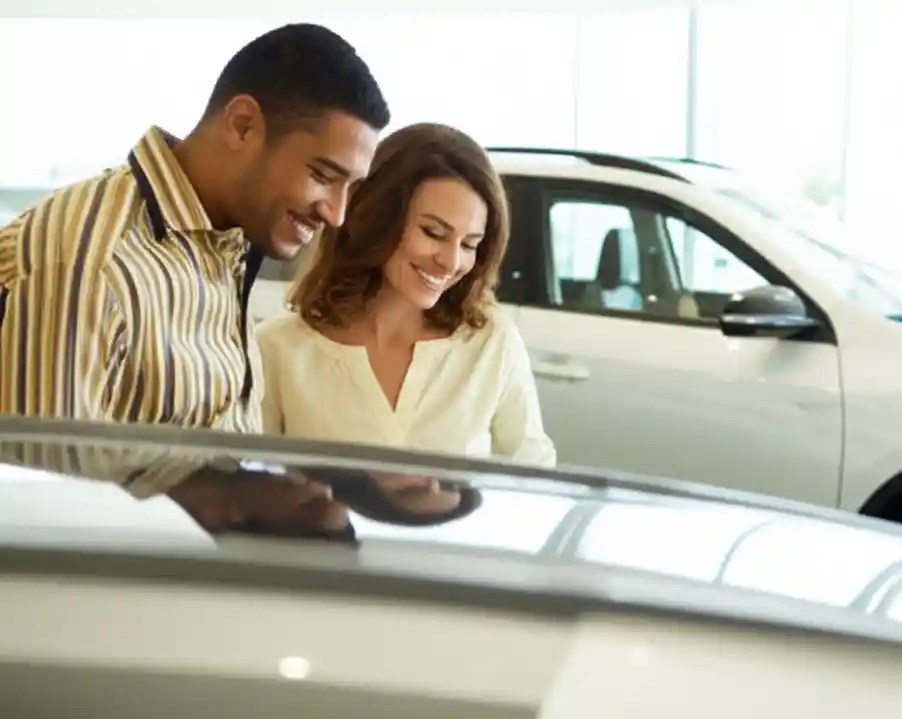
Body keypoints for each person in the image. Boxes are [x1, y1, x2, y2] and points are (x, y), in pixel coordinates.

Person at [0, 22, 390, 433]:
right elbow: (47, 487)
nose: (336, 214)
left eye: (351, 186)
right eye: (323, 175)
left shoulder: (227, 243)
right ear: (242, 125)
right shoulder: (85, 264)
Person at [256, 123, 556, 468]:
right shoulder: (279, 349)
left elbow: (536, 471)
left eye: (470, 244)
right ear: (375, 218)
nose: (451, 261)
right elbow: (256, 489)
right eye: (433, 232)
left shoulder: (491, 341)